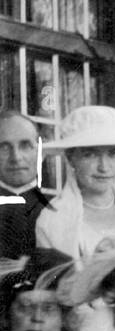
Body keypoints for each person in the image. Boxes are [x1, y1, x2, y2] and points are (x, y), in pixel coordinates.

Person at [35, 106, 115, 261]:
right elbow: (54, 281)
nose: (104, 167)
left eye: (113, 154)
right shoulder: (53, 220)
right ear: (70, 158)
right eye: (90, 155)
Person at [0, 111, 52, 259]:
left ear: (41, 151)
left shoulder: (61, 207)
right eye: (4, 147)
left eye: (25, 145)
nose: (15, 157)